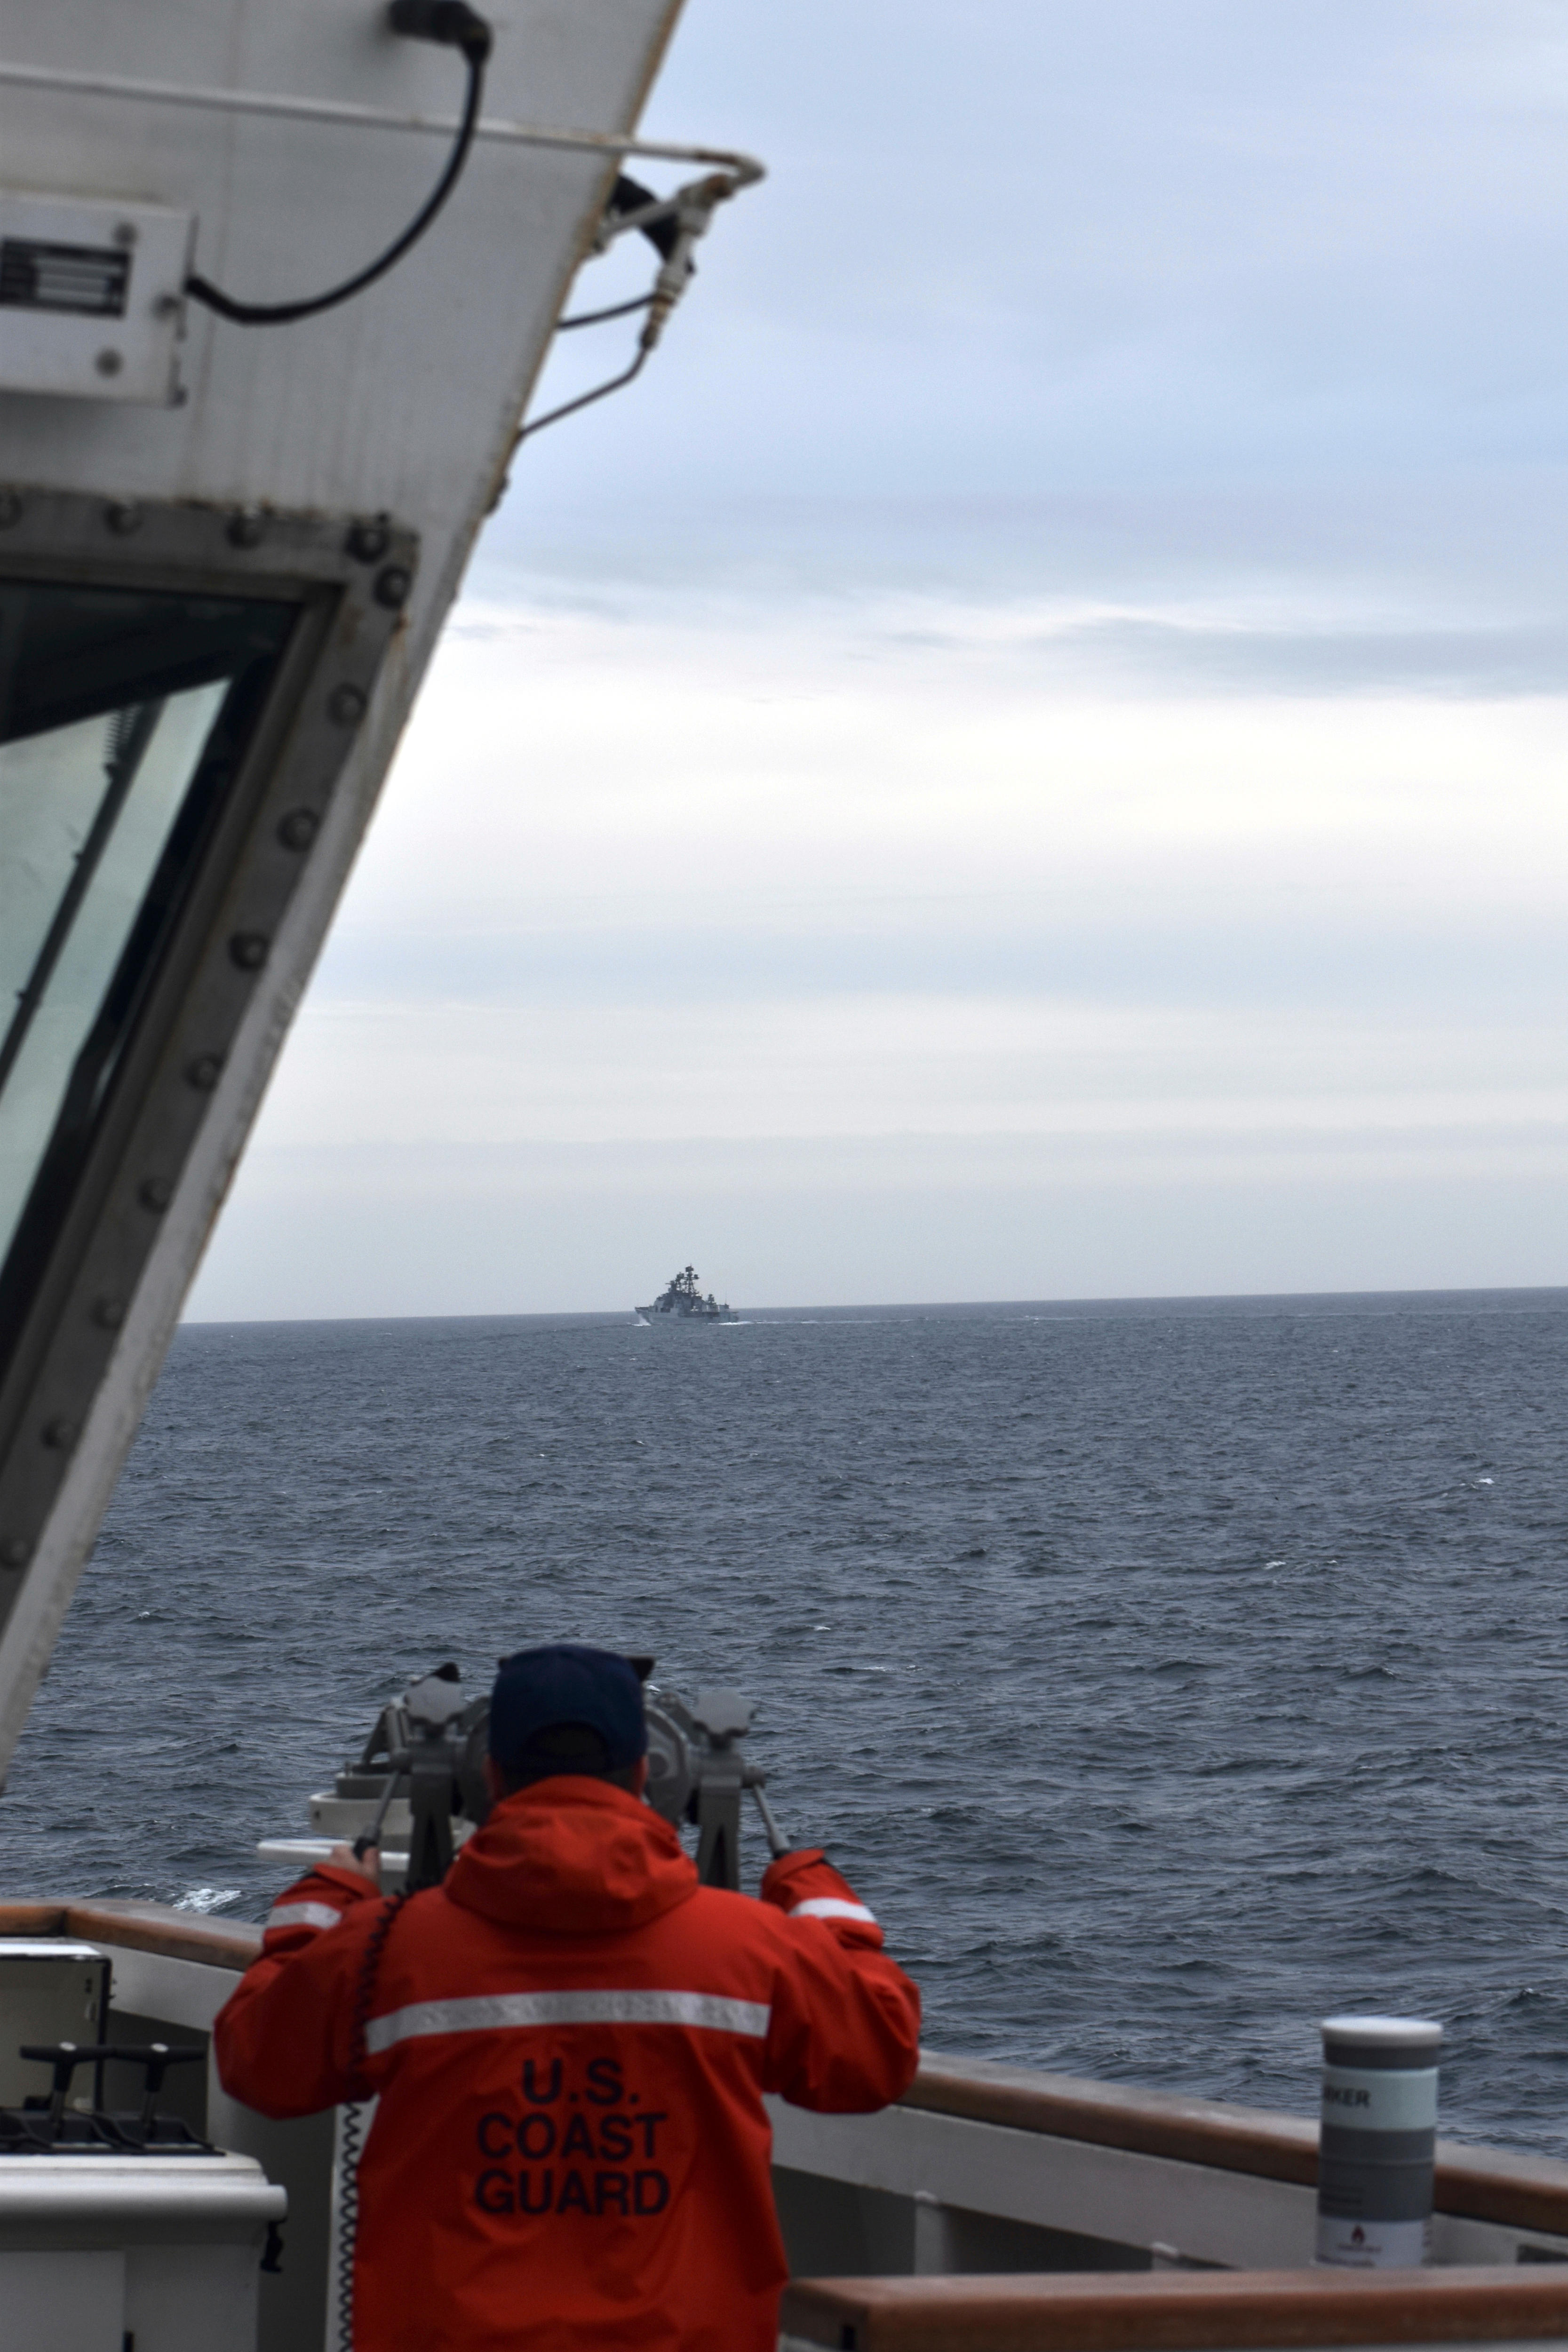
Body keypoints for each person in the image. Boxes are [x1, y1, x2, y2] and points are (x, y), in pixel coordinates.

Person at [215, 1643, 921, 2352]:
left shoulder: (387, 1950)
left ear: (487, 1775)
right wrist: (815, 1893)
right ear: (644, 1773)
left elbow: (259, 2062)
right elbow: (877, 2056)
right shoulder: (751, 1949)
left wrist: (328, 1898)